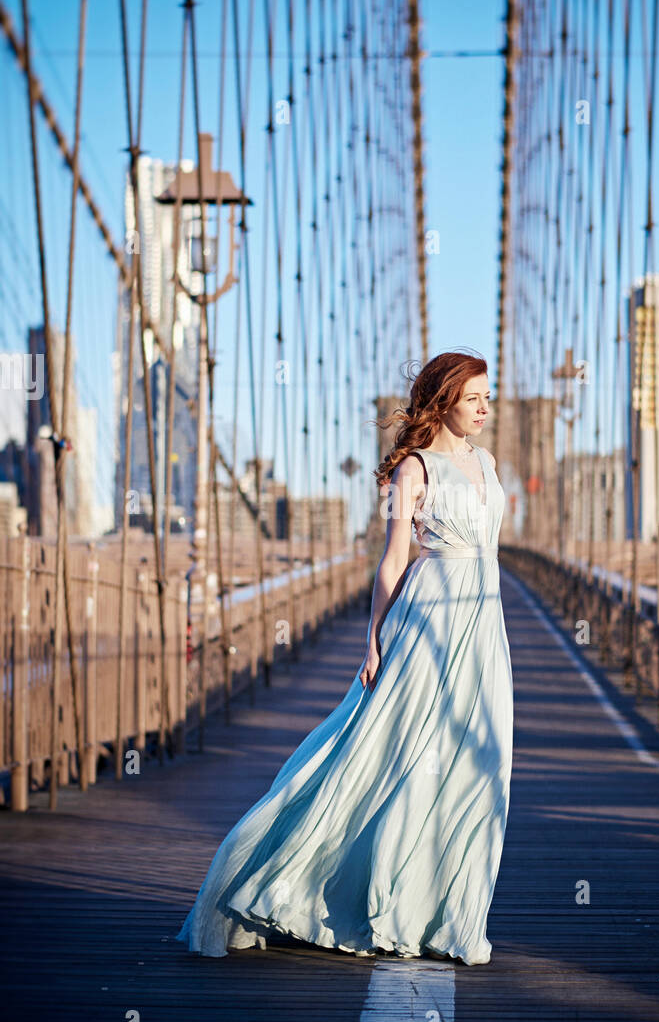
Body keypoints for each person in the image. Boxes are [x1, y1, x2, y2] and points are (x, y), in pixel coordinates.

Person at [175, 351, 514, 965]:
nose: (487, 409)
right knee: (395, 755)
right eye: (474, 399)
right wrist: (374, 637)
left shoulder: (488, 463)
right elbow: (393, 560)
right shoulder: (413, 470)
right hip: (429, 621)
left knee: (476, 768)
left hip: (484, 623)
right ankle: (376, 899)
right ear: (443, 403)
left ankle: (451, 914)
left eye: (489, 397)